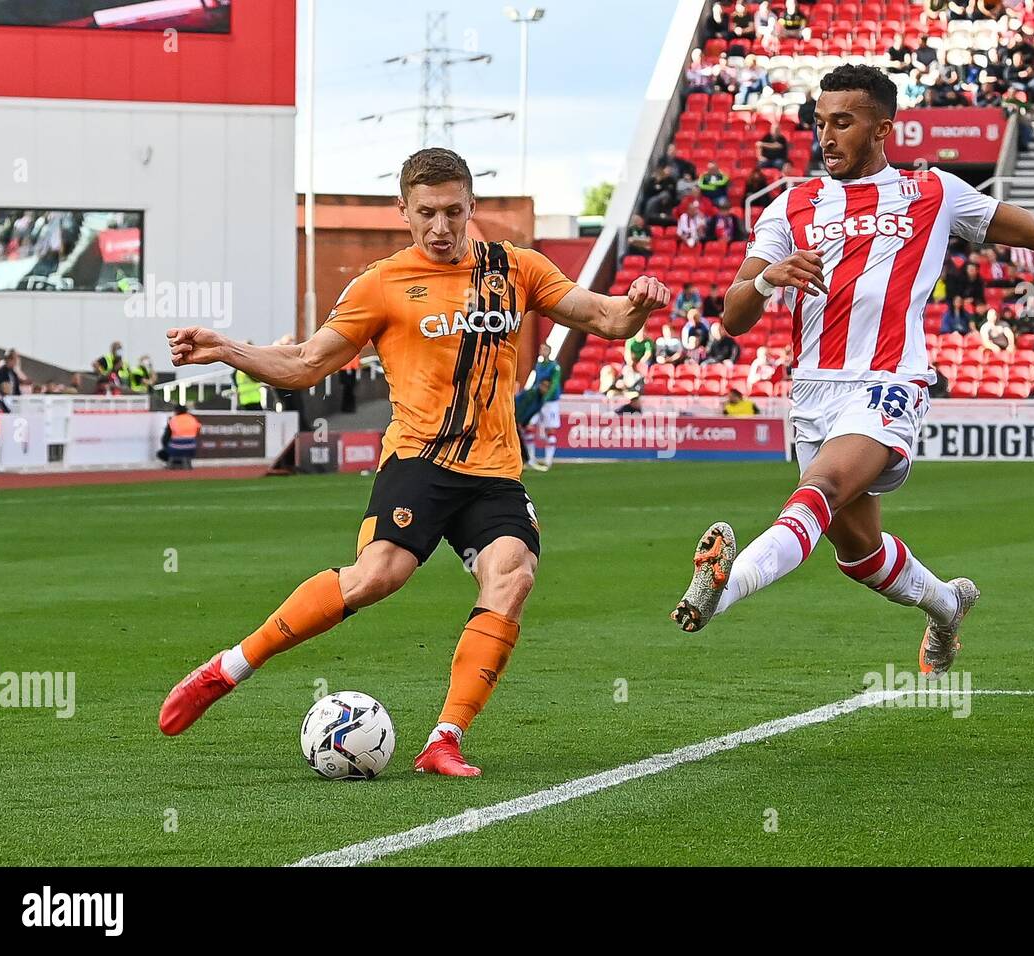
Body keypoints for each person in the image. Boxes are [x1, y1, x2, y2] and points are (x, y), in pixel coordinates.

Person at [668, 64, 1034, 680]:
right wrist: (764, 277)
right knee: (858, 554)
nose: (826, 137)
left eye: (843, 123)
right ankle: (946, 605)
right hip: (812, 392)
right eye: (820, 123)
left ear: (884, 127)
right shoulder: (789, 206)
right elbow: (734, 316)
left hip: (889, 382)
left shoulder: (932, 192)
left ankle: (723, 588)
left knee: (821, 493)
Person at [159, 147, 670, 776]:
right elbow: (304, 365)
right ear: (403, 210)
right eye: (426, 212)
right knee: (377, 577)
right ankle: (228, 667)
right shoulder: (380, 283)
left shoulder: (518, 268)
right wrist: (227, 349)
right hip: (420, 462)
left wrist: (640, 303)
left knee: (512, 576)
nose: (440, 227)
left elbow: (607, 318)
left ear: (471, 208)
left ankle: (443, 740)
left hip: (494, 473)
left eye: (454, 211)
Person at [526, 343, 562, 472]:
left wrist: (546, 397)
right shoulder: (538, 366)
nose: (543, 351)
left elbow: (555, 383)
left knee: (550, 430)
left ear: (550, 351)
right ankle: (531, 458)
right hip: (538, 401)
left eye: (545, 349)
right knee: (529, 426)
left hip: (550, 402)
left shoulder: (555, 367)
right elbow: (536, 382)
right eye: (541, 349)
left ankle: (548, 460)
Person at [157, 404, 201, 469]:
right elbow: (197, 432)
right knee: (185, 445)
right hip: (191, 449)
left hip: (176, 450)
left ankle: (175, 463)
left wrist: (166, 446)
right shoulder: (193, 419)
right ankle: (184, 462)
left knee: (161, 453)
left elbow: (165, 438)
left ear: (176, 411)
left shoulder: (173, 420)